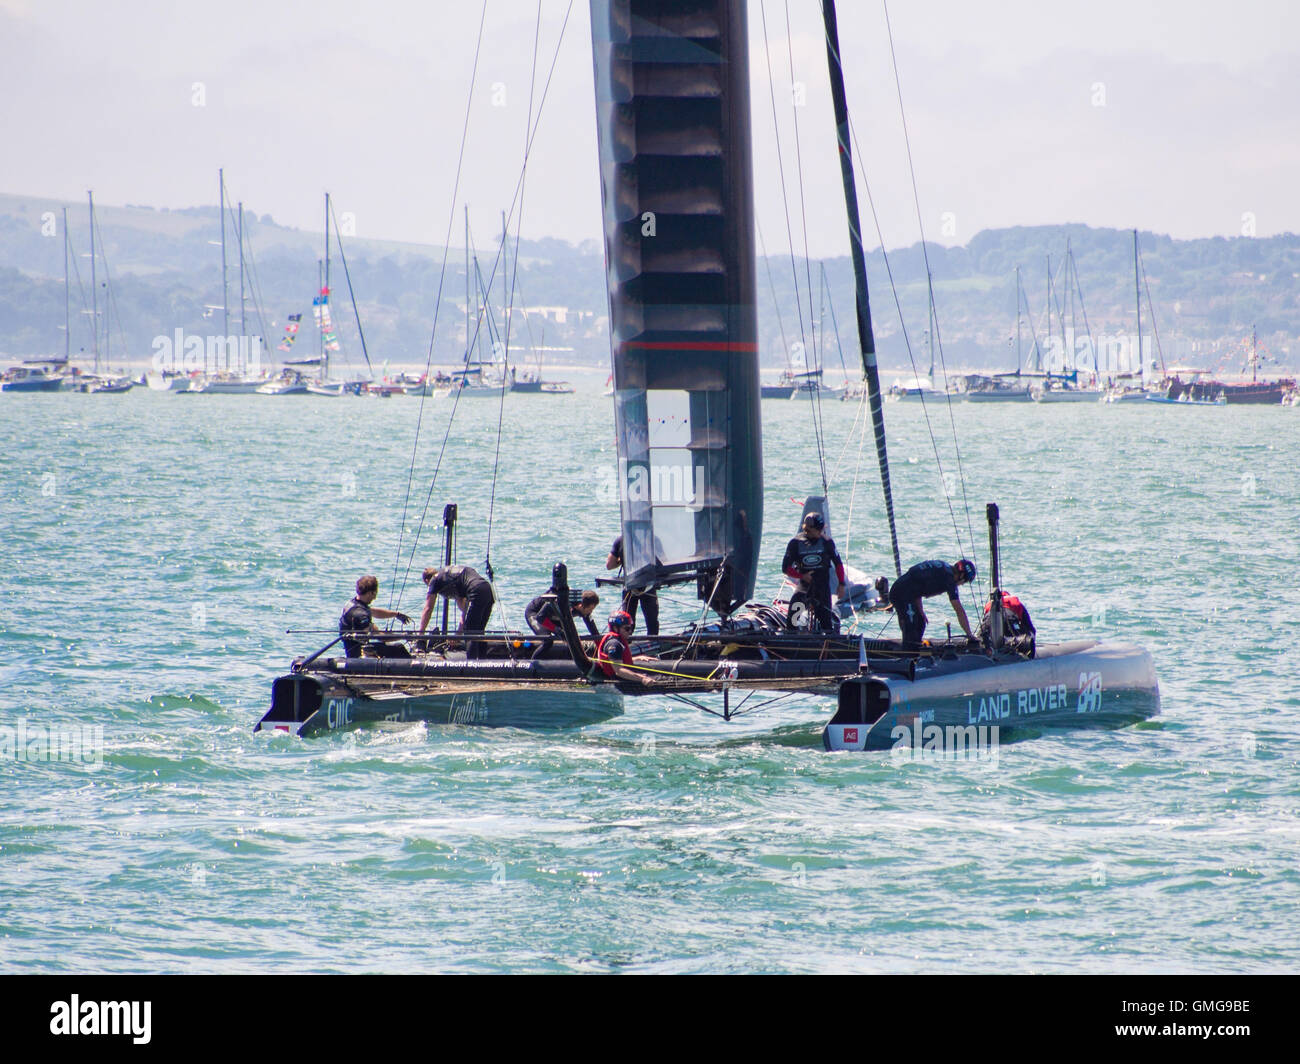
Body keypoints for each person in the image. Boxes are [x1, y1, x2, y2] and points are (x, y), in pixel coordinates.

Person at [887, 558, 977, 649]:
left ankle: (914, 652)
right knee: (911, 628)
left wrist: (920, 610)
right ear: (961, 575)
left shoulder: (945, 569)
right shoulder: (949, 579)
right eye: (964, 581)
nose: (962, 584)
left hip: (908, 592)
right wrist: (969, 634)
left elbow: (918, 585)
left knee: (920, 622)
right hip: (901, 593)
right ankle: (906, 655)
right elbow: (959, 610)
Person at [781, 512, 846, 632]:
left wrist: (841, 584)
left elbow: (838, 564)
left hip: (822, 589)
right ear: (809, 529)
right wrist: (801, 576)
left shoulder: (827, 542)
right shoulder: (795, 543)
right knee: (793, 618)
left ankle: (827, 643)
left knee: (826, 623)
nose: (821, 532)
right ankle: (793, 640)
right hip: (804, 588)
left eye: (822, 529)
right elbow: (785, 568)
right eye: (818, 530)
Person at [419, 564, 495, 659]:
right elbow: (465, 611)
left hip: (475, 590)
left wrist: (420, 634)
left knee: (470, 633)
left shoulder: (434, 580)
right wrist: (458, 635)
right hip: (487, 589)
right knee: (478, 631)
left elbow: (428, 608)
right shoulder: (450, 577)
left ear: (427, 581)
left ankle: (472, 667)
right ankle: (482, 664)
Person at [339, 575, 412, 658]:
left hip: (354, 647)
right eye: (375, 593)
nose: (375, 597)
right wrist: (404, 636)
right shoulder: (361, 615)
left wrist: (396, 614)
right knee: (398, 648)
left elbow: (373, 612)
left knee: (388, 646)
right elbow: (379, 636)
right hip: (359, 652)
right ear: (370, 593)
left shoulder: (353, 603)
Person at [605, 534, 660, 636]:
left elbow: (609, 565)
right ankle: (653, 645)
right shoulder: (652, 538)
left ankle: (625, 645)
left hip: (630, 585)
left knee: (626, 622)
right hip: (647, 585)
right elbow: (662, 561)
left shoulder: (621, 540)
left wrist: (622, 560)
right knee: (652, 623)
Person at [523, 588, 600, 659]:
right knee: (548, 641)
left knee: (571, 637)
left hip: (555, 616)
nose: (591, 612)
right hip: (536, 614)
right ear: (581, 606)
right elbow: (540, 617)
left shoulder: (584, 608)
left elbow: (594, 632)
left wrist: (601, 648)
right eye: (591, 609)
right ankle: (533, 663)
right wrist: (557, 630)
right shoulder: (561, 601)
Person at [595, 610, 653, 686]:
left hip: (622, 674)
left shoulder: (618, 640)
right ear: (615, 628)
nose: (630, 631)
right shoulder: (614, 644)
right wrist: (642, 678)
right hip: (616, 680)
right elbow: (619, 671)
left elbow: (616, 660)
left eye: (631, 628)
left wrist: (636, 658)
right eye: (627, 629)